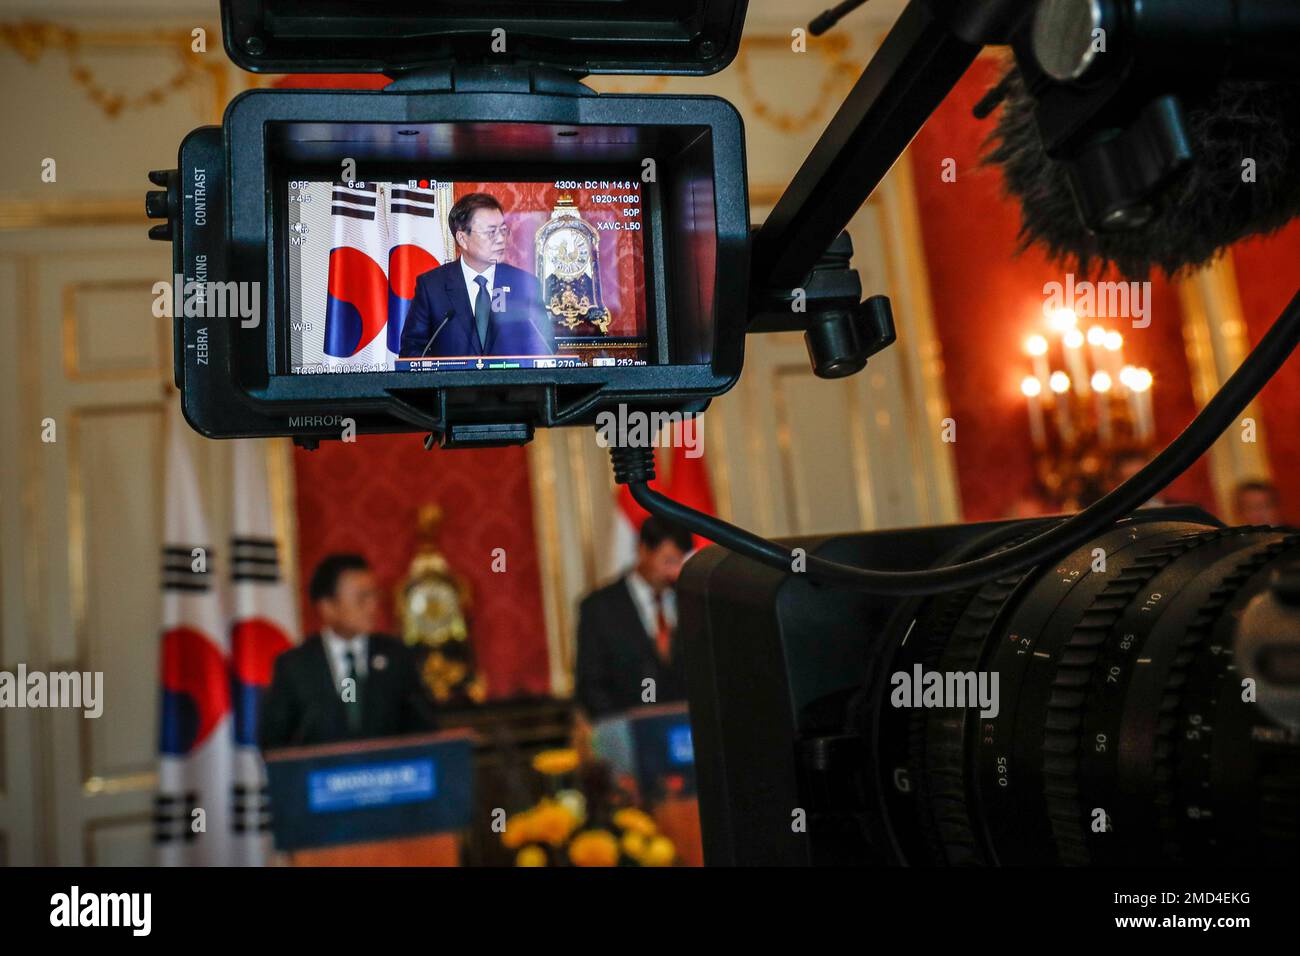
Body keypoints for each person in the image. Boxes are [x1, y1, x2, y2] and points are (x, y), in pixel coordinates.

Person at [259, 554, 436, 751]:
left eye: (374, 595)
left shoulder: (397, 657)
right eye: (362, 598)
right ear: (328, 607)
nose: (373, 606)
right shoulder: (294, 666)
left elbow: (424, 728)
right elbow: (274, 742)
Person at [398, 192, 554, 359]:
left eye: (503, 230)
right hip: (452, 384)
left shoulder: (523, 285)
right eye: (491, 232)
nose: (501, 239)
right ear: (462, 238)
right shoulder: (432, 286)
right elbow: (412, 352)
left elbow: (546, 346)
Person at [574, 517, 694, 721]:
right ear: (643, 550)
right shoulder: (599, 608)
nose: (673, 571)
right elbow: (591, 685)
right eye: (667, 561)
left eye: (679, 561)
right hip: (628, 735)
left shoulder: (691, 601)